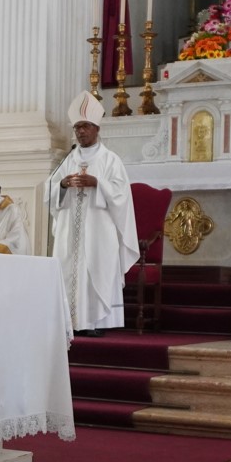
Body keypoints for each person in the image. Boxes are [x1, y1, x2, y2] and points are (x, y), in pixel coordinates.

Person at [47, 91, 139, 338]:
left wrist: (98, 183)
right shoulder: (68, 160)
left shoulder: (110, 160)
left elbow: (122, 195)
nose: (80, 131)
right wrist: (63, 185)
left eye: (85, 126)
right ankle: (70, 321)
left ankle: (94, 320)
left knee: (94, 269)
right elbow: (49, 191)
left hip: (99, 228)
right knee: (68, 268)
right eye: (77, 127)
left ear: (96, 128)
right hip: (71, 230)